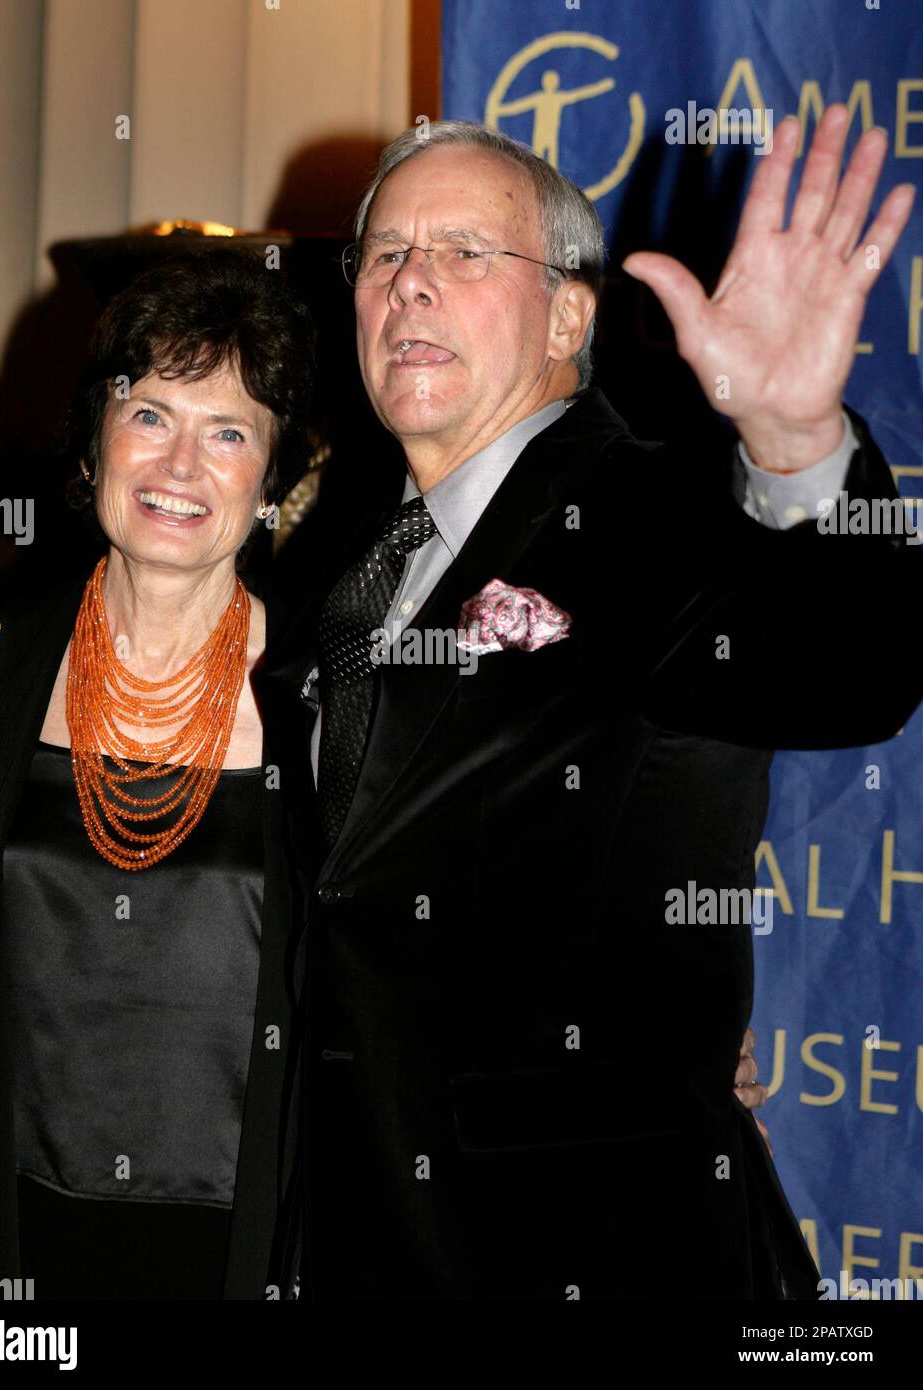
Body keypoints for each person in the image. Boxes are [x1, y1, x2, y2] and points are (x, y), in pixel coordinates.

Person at [265, 109, 922, 1299]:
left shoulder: (654, 517)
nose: (411, 284)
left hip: (603, 1247)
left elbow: (851, 666)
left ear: (568, 314)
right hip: (358, 1242)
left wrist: (793, 441)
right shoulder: (341, 566)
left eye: (466, 253)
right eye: (384, 257)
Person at [0, 249, 313, 1298]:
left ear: (273, 478)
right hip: (9, 1239)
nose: (180, 465)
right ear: (94, 445)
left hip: (243, 1246)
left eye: (228, 431)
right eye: (149, 414)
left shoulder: (327, 699)